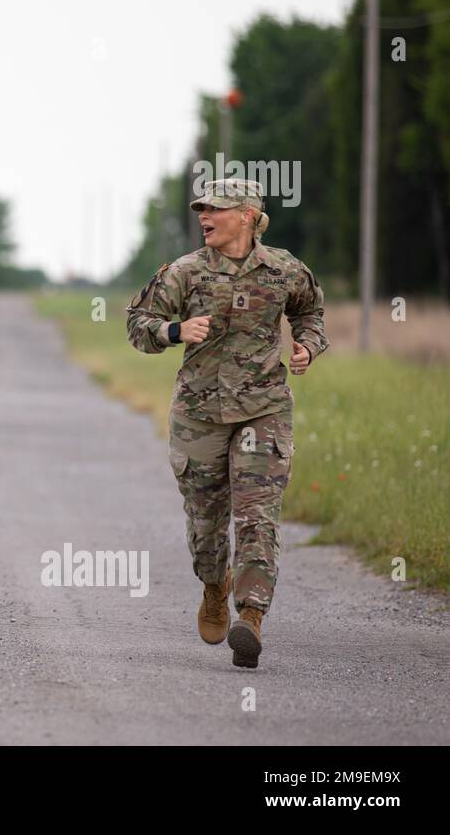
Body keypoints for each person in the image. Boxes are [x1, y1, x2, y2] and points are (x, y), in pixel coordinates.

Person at [126, 178, 327, 668]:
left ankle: (251, 617)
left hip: (264, 408)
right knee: (206, 520)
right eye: (201, 209)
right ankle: (214, 587)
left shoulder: (284, 270)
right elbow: (137, 324)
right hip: (199, 414)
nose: (204, 217)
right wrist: (175, 330)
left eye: (215, 208)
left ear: (247, 215)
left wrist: (307, 347)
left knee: (258, 516)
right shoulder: (185, 272)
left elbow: (311, 313)